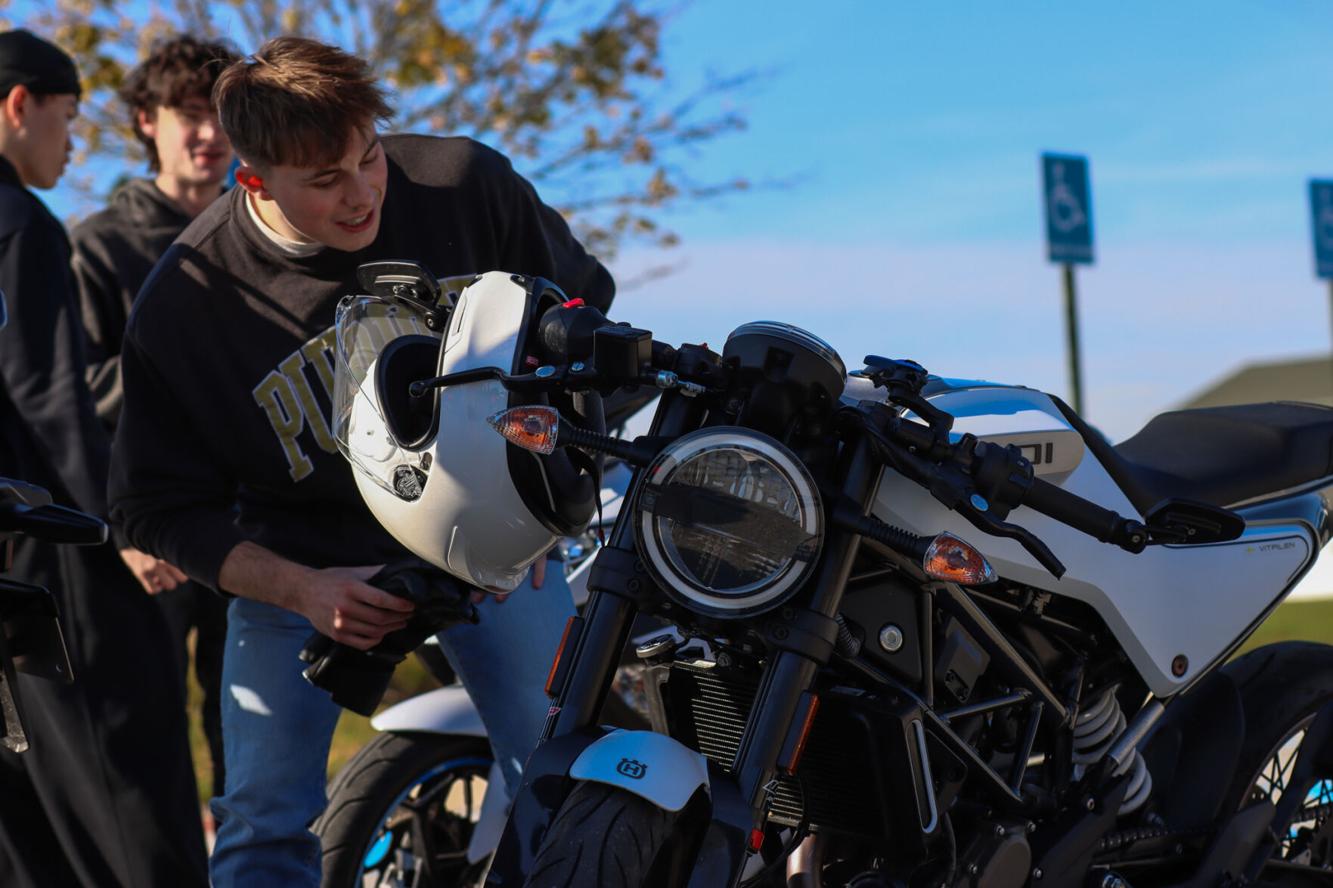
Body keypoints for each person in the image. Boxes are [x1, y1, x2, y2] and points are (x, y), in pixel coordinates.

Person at [108, 36, 614, 888]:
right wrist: (302, 590)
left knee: (564, 779)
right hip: (309, 567)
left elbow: (581, 325)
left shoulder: (464, 182)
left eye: (369, 157)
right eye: (326, 181)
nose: (362, 193)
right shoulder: (189, 302)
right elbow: (150, 509)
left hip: (498, 551)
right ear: (253, 180)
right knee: (263, 821)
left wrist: (538, 505)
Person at [0, 28, 207, 888]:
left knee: (23, 809)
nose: (72, 141)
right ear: (20, 105)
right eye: (68, 117)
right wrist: (111, 531)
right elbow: (48, 396)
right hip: (53, 549)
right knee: (131, 782)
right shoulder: (20, 225)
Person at [69, 32, 238, 803]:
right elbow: (64, 399)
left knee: (253, 750)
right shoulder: (95, 248)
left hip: (261, 531)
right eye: (189, 113)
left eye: (224, 114)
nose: (209, 134)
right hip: (146, 539)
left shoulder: (269, 235)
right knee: (145, 752)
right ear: (146, 121)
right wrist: (122, 528)